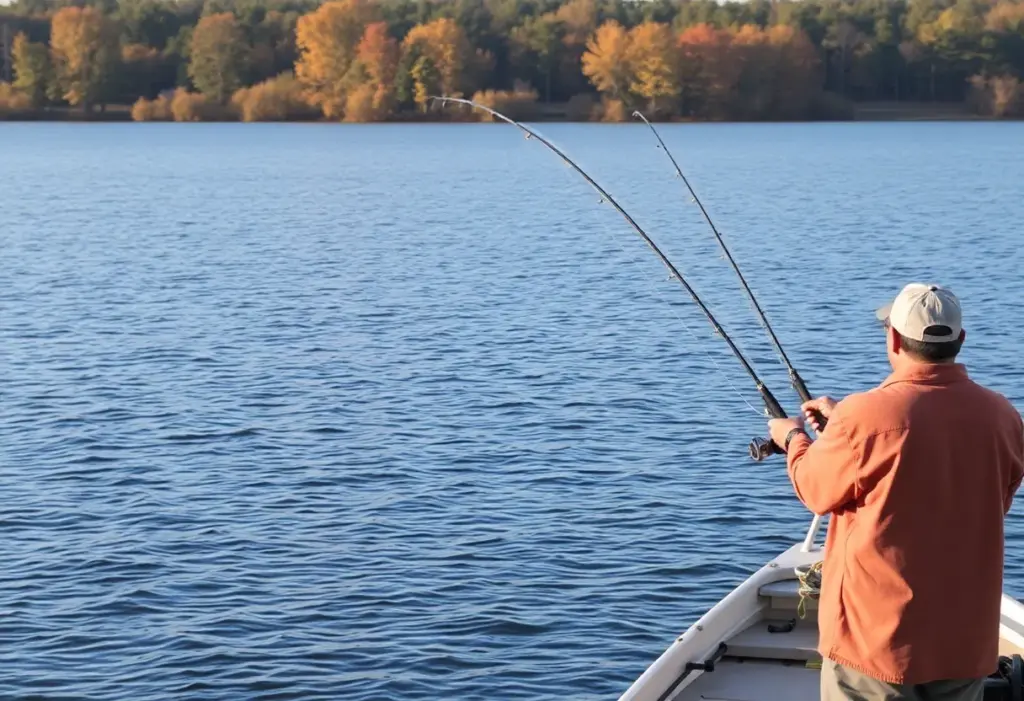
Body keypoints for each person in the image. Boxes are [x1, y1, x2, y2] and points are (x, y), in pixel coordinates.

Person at [767, 283, 1024, 701]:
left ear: (892, 338)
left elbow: (814, 488)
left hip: (875, 646)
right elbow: (990, 496)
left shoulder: (863, 415)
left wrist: (792, 437)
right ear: (960, 340)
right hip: (962, 645)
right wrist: (845, 425)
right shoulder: (1003, 415)